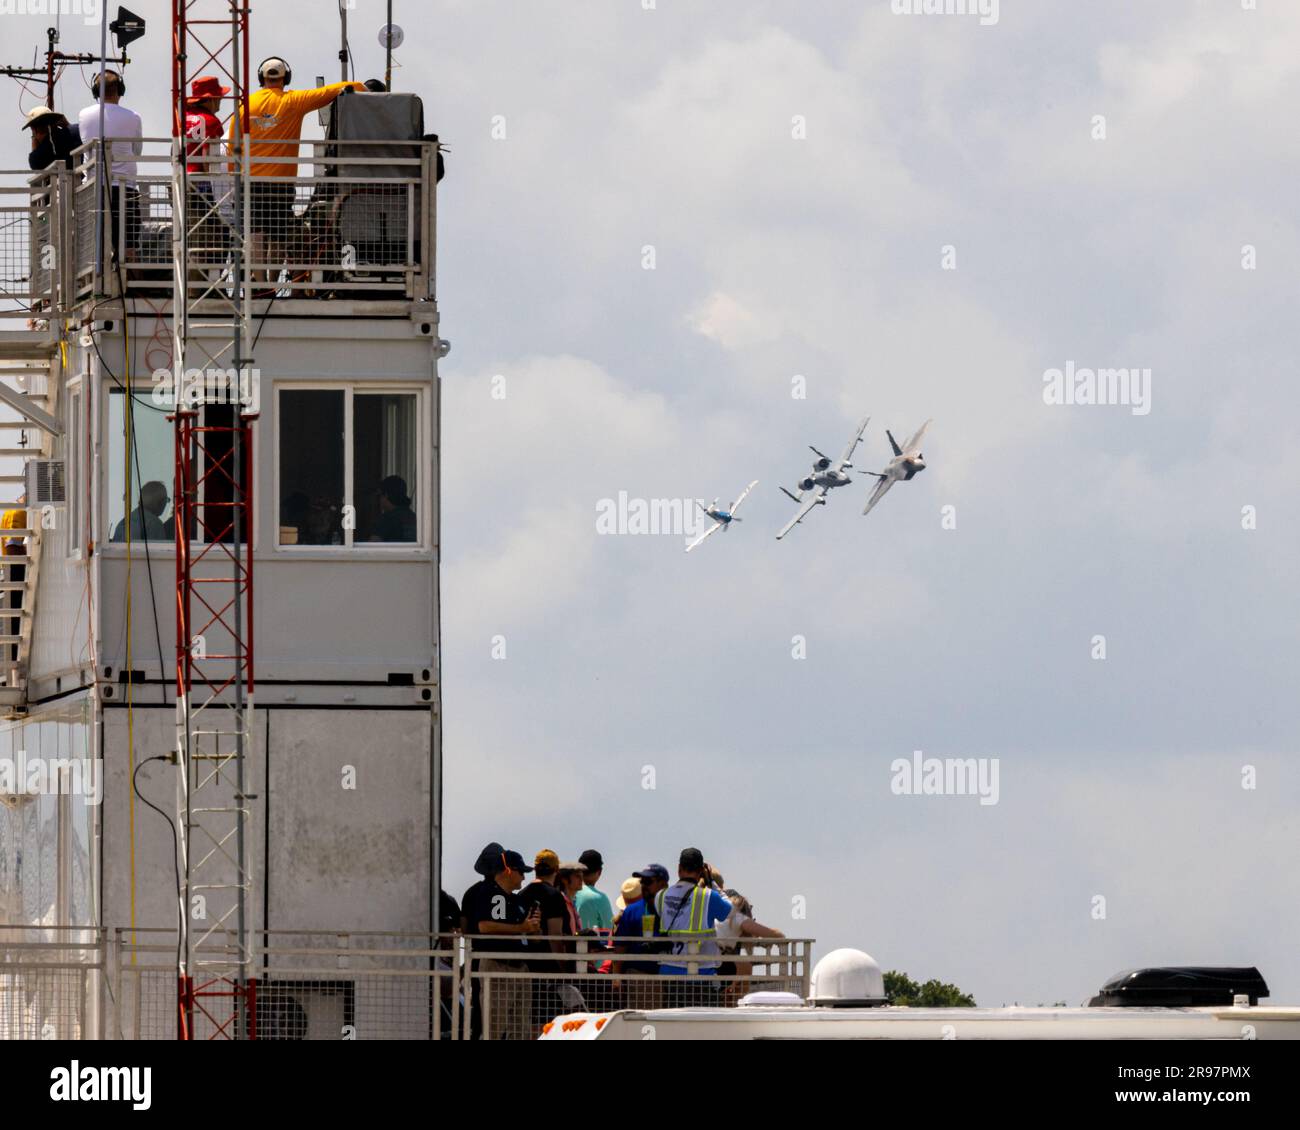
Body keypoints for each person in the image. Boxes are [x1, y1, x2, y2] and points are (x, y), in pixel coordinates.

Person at [233, 57, 365, 285]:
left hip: (250, 183)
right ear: (286, 77)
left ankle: (258, 283)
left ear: (261, 78)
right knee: (276, 237)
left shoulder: (246, 106)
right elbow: (333, 90)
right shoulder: (294, 101)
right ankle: (272, 285)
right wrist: (358, 86)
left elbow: (232, 146)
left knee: (254, 234)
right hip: (281, 184)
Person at [459, 846, 540, 1040]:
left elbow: (531, 935)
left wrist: (533, 927)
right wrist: (523, 928)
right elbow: (484, 927)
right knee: (493, 1026)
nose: (523, 877)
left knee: (520, 1026)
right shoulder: (487, 893)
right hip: (498, 965)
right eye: (521, 872)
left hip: (520, 966)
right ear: (508, 870)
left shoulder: (518, 901)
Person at [78, 70, 143, 263]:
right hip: (125, 189)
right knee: (128, 245)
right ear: (120, 90)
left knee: (94, 245)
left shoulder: (84, 115)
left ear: (96, 91)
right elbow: (137, 151)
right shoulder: (133, 117)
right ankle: (129, 283)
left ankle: (97, 281)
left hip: (93, 187)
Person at [654, 848, 732, 1007]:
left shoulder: (660, 896)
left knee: (673, 1022)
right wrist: (713, 883)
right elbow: (728, 910)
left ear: (679, 869)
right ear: (700, 872)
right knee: (705, 1024)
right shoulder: (709, 896)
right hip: (702, 974)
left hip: (670, 973)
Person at [183, 76, 232, 258]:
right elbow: (209, 160)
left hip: (182, 182)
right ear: (211, 99)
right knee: (214, 240)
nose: (221, 100)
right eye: (219, 96)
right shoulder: (211, 121)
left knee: (189, 238)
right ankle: (211, 281)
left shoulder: (182, 118)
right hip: (202, 185)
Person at [611, 864, 670, 1010]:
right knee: (643, 1024)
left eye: (648, 882)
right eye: (642, 882)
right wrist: (616, 977)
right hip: (641, 977)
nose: (643, 885)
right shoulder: (631, 911)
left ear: (663, 884)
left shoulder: (673, 909)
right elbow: (620, 947)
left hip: (671, 975)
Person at [1, 494, 27, 666]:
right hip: (16, 570)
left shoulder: (12, 511)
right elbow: (12, 548)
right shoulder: (17, 513)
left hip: (11, 568)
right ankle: (15, 666)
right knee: (16, 623)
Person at [23, 106, 82, 171]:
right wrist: (68, 126)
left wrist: (34, 139)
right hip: (89, 176)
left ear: (33, 129)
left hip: (67, 180)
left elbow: (36, 167)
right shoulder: (78, 130)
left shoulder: (37, 156)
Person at [573, 849, 614, 933]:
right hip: (592, 945)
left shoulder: (568, 893)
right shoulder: (600, 898)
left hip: (569, 945)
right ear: (599, 872)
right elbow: (610, 930)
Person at [370, 475, 416, 542]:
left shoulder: (385, 520)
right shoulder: (414, 518)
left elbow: (372, 548)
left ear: (386, 495)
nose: (379, 500)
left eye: (379, 496)